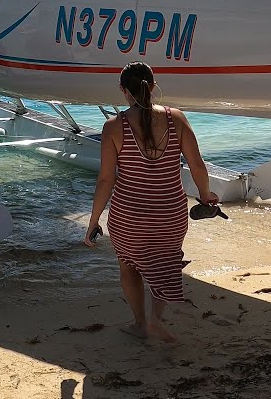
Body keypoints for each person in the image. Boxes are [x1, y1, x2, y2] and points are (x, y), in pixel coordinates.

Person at [83, 62, 219, 341]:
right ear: (153, 86)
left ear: (123, 90)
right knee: (166, 264)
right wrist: (205, 195)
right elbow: (197, 164)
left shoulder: (113, 126)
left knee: (129, 267)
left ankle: (140, 323)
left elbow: (106, 180)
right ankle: (157, 319)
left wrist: (94, 219)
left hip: (128, 217)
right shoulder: (176, 119)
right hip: (171, 214)